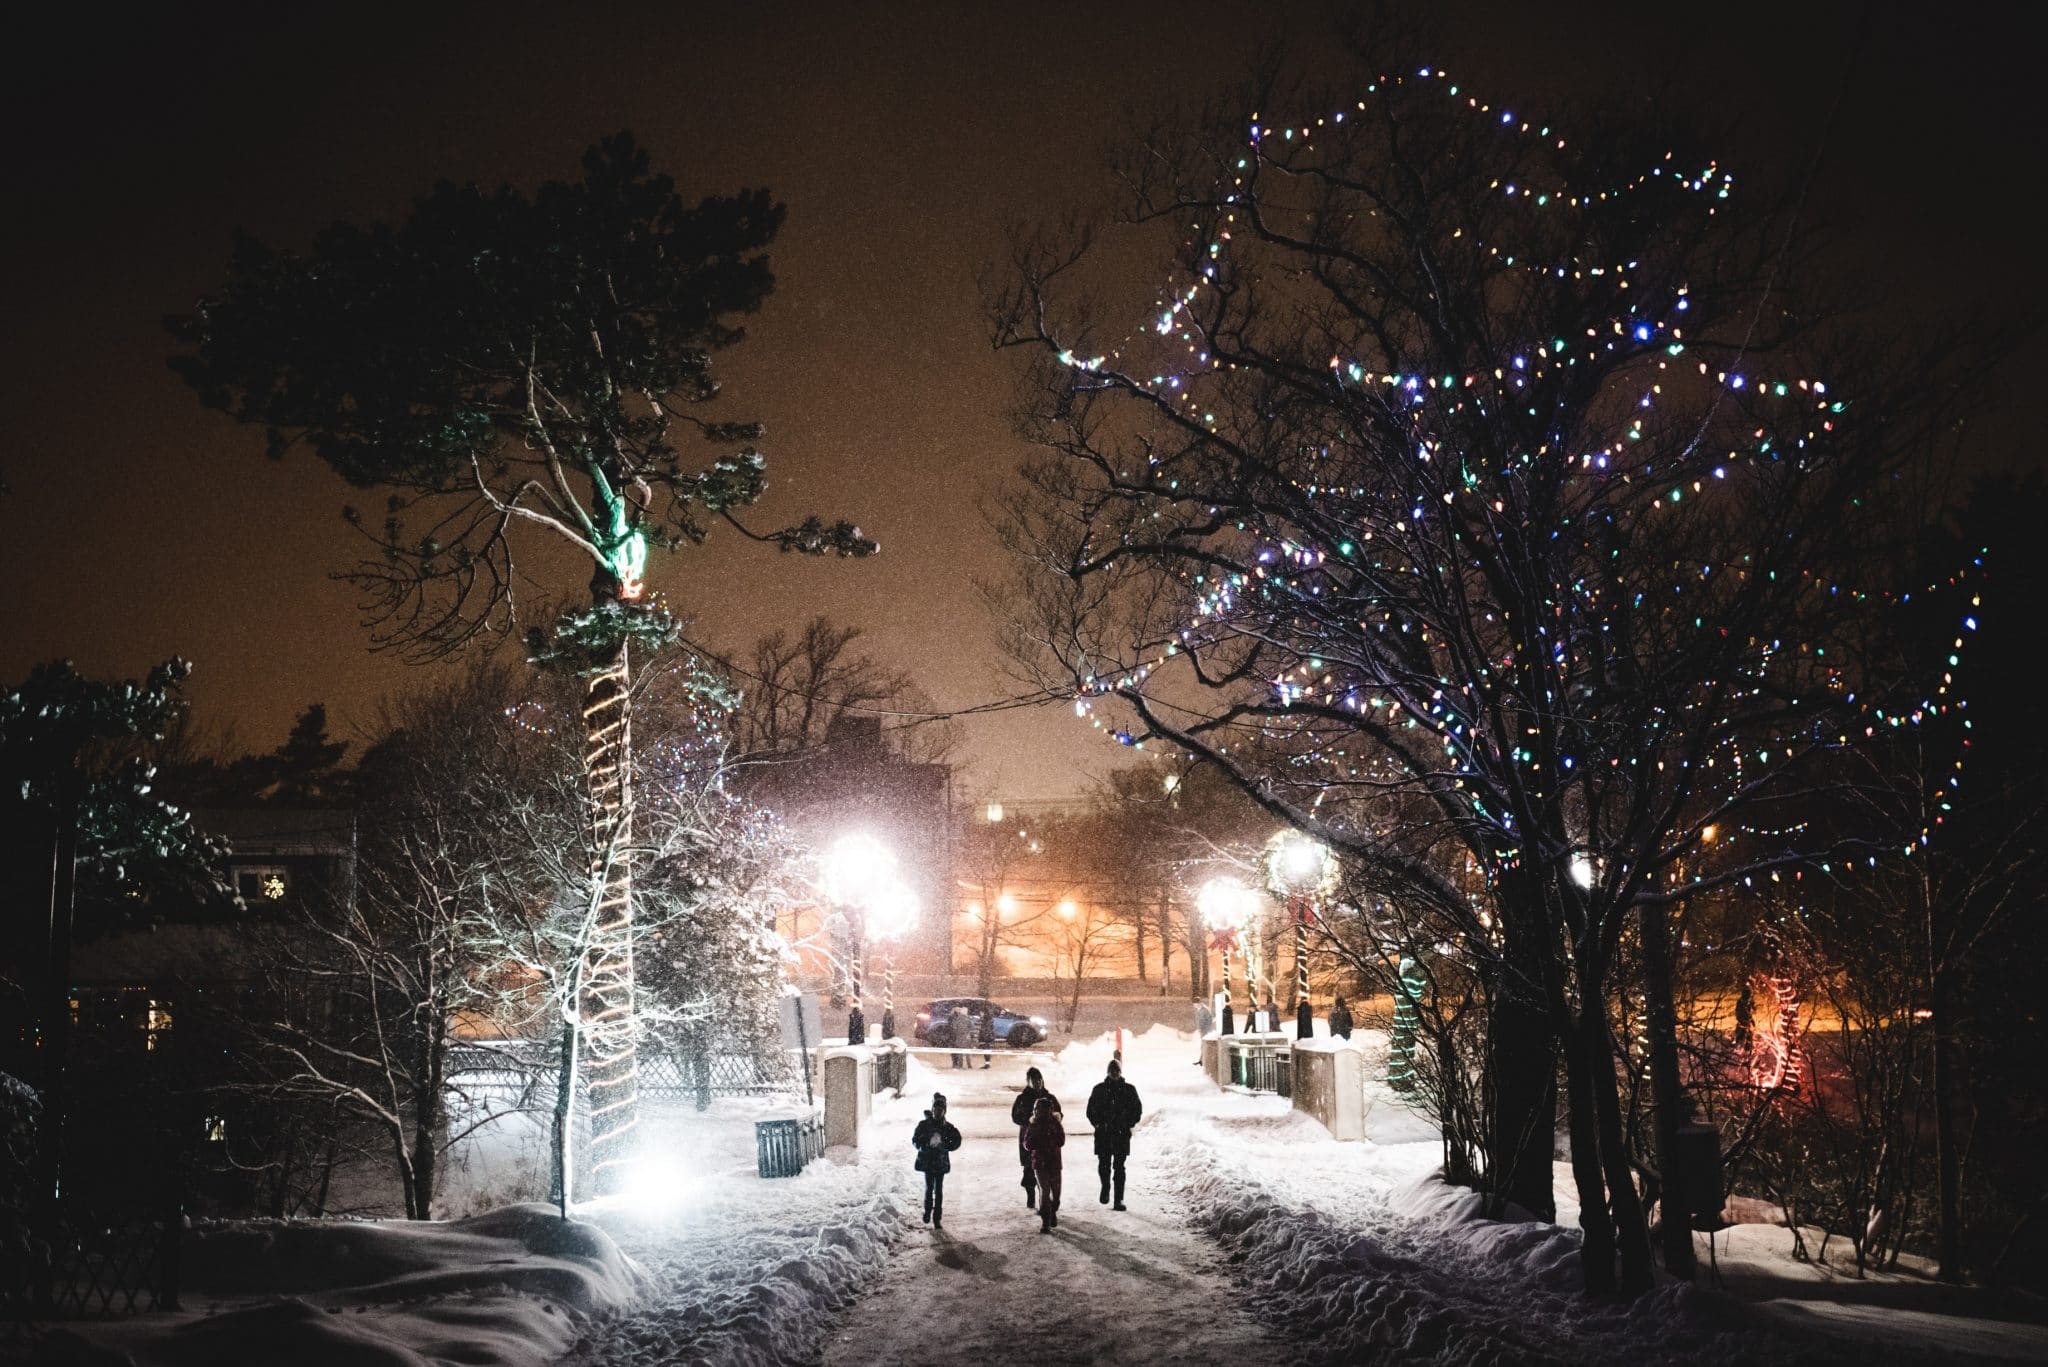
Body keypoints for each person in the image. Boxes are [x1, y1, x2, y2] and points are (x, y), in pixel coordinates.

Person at [1085, 1058, 1143, 1211]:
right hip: (1104, 1133)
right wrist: (1098, 1123)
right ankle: (1105, 1186)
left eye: (1116, 1070)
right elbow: (1090, 1110)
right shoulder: (1099, 1090)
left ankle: (1118, 1199)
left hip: (1121, 1134)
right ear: (1108, 1072)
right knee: (1104, 1164)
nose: (1114, 1073)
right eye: (1112, 1071)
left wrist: (1128, 1123)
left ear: (1120, 1072)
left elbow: (1137, 1109)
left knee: (1119, 1166)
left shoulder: (1129, 1090)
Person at [1010, 1066, 1061, 1209]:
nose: (1037, 1082)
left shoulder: (1050, 1098)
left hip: (1048, 1141)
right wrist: (1029, 1121)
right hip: (1030, 1138)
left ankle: (1043, 1200)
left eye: (1039, 1079)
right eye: (1034, 1080)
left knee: (1046, 1172)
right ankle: (1031, 1195)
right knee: (1029, 1169)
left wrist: (1055, 1119)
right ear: (1028, 1082)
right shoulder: (1022, 1099)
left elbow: (1059, 1113)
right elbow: (1015, 1116)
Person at [912, 1092, 962, 1228]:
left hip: (940, 1163)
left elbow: (957, 1140)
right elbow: (915, 1140)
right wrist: (926, 1146)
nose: (937, 1112)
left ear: (944, 1111)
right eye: (935, 1110)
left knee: (938, 1190)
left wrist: (945, 1146)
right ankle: (928, 1211)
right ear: (932, 1110)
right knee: (929, 1188)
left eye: (940, 1110)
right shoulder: (924, 1125)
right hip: (929, 1162)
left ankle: (937, 1218)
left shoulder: (948, 1127)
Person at [1022, 1094, 1065, 1232]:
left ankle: (1052, 1211)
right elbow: (1027, 1144)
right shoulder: (1033, 1125)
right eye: (1036, 1109)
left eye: (1040, 1109)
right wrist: (1036, 1140)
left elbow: (1061, 1141)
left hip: (1054, 1162)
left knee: (1056, 1195)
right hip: (1040, 1163)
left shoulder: (1055, 1124)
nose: (1037, 1112)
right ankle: (1045, 1221)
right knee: (1044, 1191)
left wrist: (1049, 1140)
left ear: (1048, 1110)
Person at [949, 1004, 970, 1069]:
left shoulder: (957, 1018)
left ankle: (959, 1065)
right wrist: (967, 1032)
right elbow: (972, 1026)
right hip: (966, 1037)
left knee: (960, 1052)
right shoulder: (967, 1019)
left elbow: (953, 1027)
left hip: (958, 1037)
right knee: (967, 1052)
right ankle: (969, 1065)